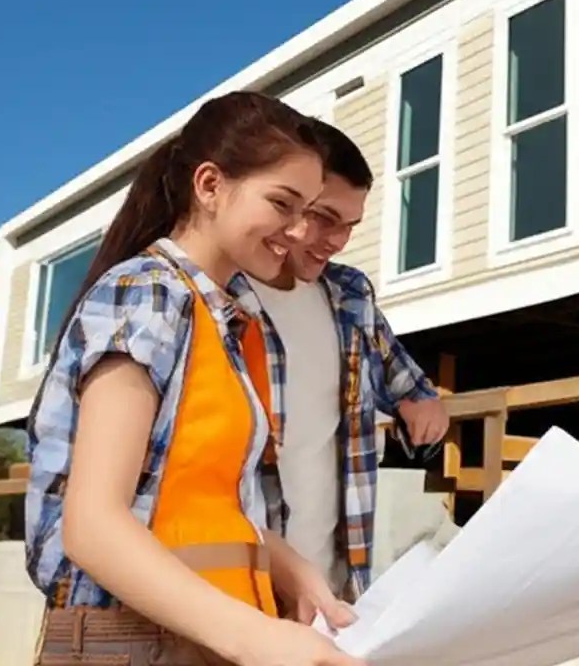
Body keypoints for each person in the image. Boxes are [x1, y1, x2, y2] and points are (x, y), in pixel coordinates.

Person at [24, 92, 365, 666]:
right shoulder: (147, 296)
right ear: (209, 186)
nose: (300, 230)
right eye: (284, 203)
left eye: (308, 208)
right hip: (136, 641)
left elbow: (196, 499)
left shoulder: (225, 320)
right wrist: (255, 638)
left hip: (201, 638)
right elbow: (92, 525)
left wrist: (289, 568)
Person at [250, 118, 449, 609]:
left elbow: (405, 378)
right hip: (246, 588)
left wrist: (423, 402)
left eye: (350, 226)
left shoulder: (350, 294)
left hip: (338, 589)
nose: (336, 239)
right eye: (323, 217)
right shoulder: (224, 294)